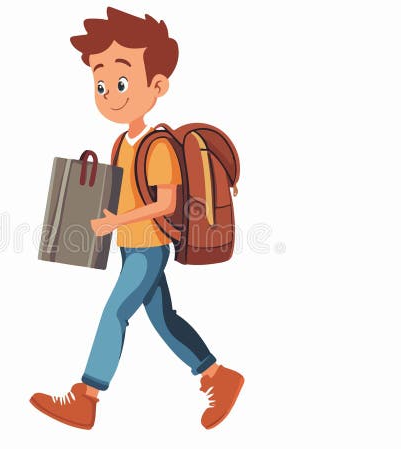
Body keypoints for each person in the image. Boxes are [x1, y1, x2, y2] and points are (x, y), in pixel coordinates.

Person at [30, 7, 244, 430]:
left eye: (121, 82)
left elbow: (166, 203)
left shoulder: (158, 145)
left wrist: (116, 221)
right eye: (101, 84)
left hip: (149, 247)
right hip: (131, 246)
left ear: (157, 85)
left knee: (114, 313)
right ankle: (219, 376)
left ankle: (86, 397)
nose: (110, 93)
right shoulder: (121, 142)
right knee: (164, 320)